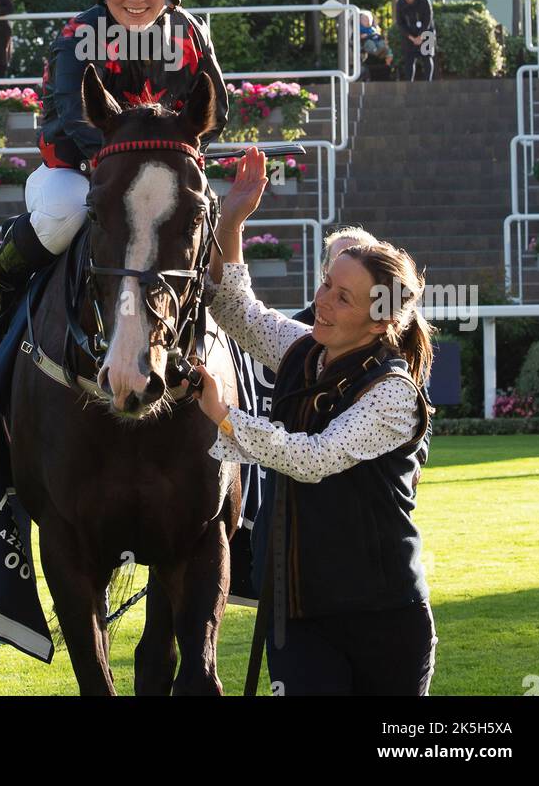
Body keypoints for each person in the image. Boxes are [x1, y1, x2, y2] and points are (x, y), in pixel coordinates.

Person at [186, 146, 438, 696]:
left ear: (381, 322)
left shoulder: (393, 394)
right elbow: (238, 311)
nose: (321, 301)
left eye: (342, 297)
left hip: (383, 618)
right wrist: (231, 221)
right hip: (297, 613)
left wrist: (225, 417)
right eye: (326, 283)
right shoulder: (306, 348)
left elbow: (312, 458)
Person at [0, 0, 230, 347]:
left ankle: (221, 319)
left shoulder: (191, 32)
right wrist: (133, 168)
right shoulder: (76, 35)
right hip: (75, 170)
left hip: (159, 172)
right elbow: (77, 119)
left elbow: (215, 112)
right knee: (64, 214)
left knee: (202, 209)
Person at [395, 0, 436, 82]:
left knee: (427, 56)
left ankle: (428, 82)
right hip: (409, 34)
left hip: (426, 31)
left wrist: (420, 36)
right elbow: (400, 23)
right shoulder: (400, 3)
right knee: (409, 59)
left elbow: (428, 19)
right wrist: (411, 37)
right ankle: (409, 83)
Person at [359, 8, 393, 75]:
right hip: (367, 42)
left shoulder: (373, 28)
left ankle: (388, 59)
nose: (366, 21)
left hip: (376, 40)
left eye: (367, 19)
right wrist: (363, 36)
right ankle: (376, 52)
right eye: (363, 20)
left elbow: (377, 34)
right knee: (370, 43)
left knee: (383, 44)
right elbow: (359, 36)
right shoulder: (359, 28)